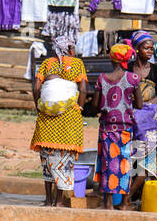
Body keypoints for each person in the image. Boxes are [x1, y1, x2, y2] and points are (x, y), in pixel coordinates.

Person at [30, 38, 88, 207]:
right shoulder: (77, 64)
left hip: (47, 119)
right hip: (69, 120)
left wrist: (39, 107)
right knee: (65, 160)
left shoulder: (47, 63)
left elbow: (36, 88)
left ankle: (48, 200)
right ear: (70, 49)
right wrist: (80, 108)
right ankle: (59, 200)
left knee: (47, 159)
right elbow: (83, 89)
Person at [94, 42, 142, 209]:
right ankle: (123, 203)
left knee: (108, 163)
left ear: (111, 59)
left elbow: (96, 106)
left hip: (107, 127)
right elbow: (140, 105)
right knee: (124, 163)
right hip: (125, 129)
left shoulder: (102, 79)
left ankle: (107, 203)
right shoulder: (133, 78)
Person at [129, 31, 157, 106]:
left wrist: (145, 105)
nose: (150, 51)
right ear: (137, 49)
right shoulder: (128, 68)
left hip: (151, 107)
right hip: (131, 107)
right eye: (146, 48)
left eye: (151, 49)